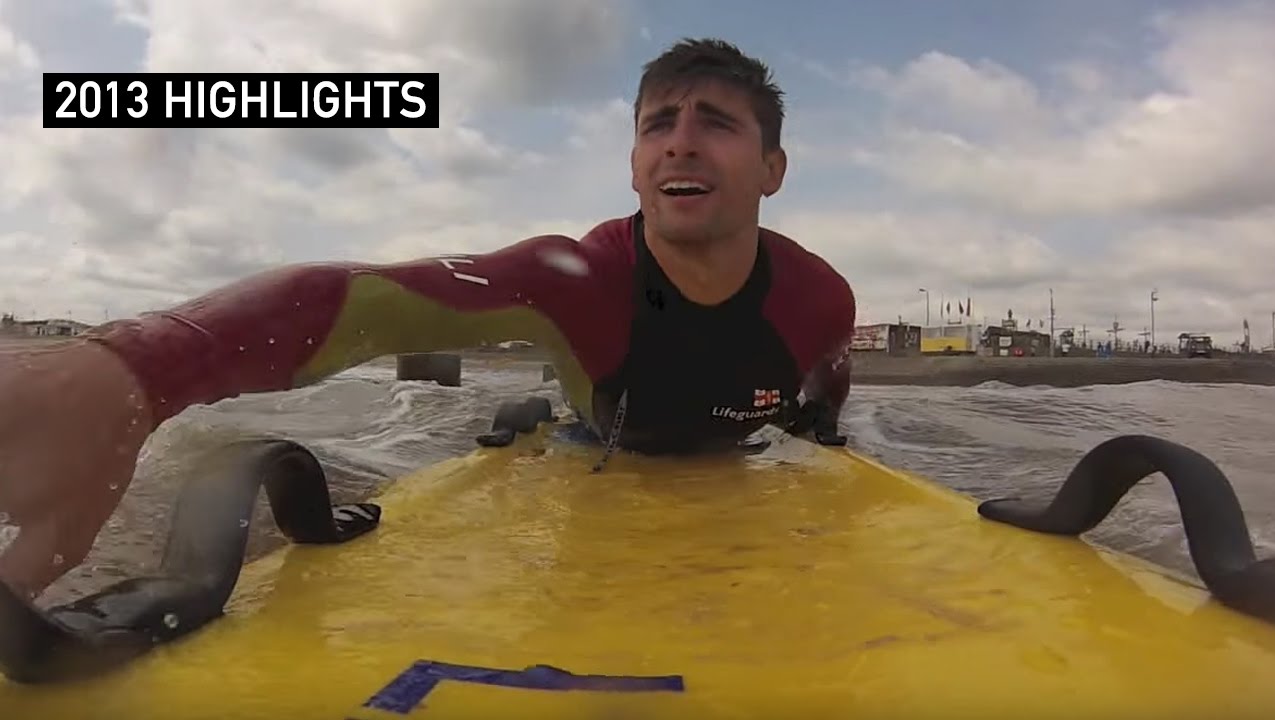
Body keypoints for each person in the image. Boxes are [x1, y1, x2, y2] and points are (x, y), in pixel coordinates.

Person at [0, 38, 856, 599]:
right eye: (658, 124)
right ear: (636, 167)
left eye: (717, 124)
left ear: (773, 167)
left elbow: (831, 367)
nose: (681, 142)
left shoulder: (823, 297)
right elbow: (370, 301)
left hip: (737, 450)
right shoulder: (576, 279)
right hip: (601, 443)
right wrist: (137, 370)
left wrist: (821, 422)